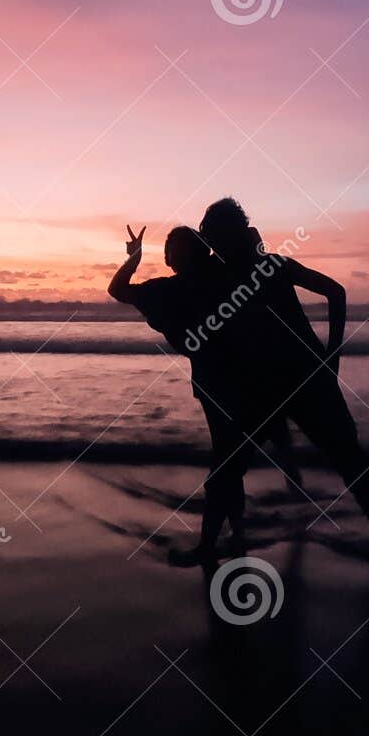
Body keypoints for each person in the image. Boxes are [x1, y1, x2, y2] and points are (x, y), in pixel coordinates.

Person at [198, 198, 369, 568]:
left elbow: (336, 292)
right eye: (211, 242)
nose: (214, 249)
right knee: (227, 469)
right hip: (264, 386)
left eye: (216, 239)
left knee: (351, 461)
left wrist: (333, 355)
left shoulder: (271, 267)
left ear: (233, 235)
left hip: (306, 379)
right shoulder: (229, 274)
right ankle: (209, 548)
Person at [108, 224, 254, 564]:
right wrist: (137, 257)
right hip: (219, 382)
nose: (167, 253)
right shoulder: (185, 285)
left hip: (236, 380)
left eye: (172, 247)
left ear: (190, 252)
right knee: (228, 457)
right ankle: (237, 533)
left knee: (225, 463)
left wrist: (134, 259)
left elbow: (118, 288)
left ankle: (209, 547)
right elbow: (118, 290)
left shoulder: (212, 280)